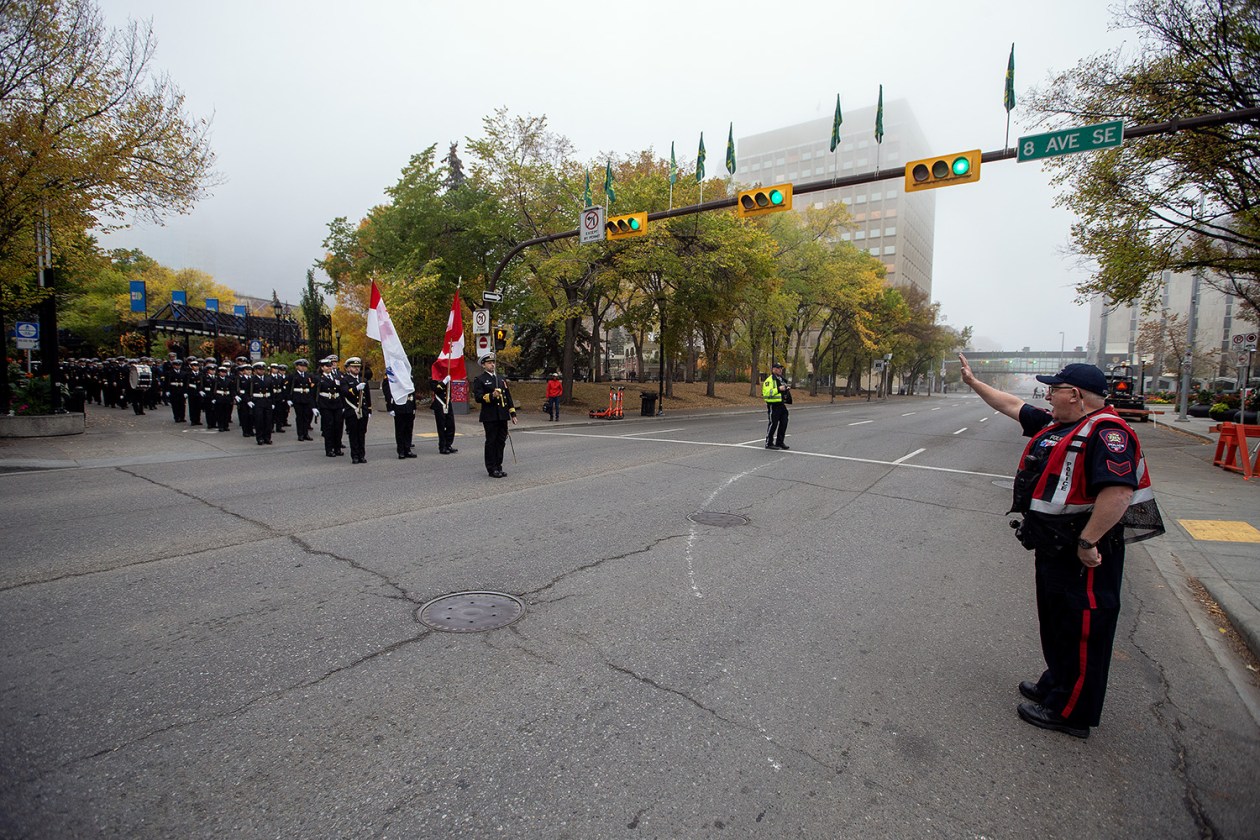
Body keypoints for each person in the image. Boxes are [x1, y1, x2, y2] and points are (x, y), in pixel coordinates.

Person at [959, 355, 1163, 739]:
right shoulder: (1062, 425)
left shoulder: (1108, 433)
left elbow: (1118, 493)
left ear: (1076, 395)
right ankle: (1057, 683)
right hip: (1054, 546)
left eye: (1055, 390)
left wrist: (1089, 541)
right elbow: (1010, 404)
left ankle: (1072, 712)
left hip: (1084, 552)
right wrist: (973, 382)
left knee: (1083, 627)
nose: (1048, 396)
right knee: (1057, 622)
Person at [470, 354, 516, 478]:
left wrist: (512, 413)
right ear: (484, 365)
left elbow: (507, 396)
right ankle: (491, 468)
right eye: (489, 363)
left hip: (502, 415)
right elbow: (478, 397)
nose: (492, 365)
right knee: (491, 442)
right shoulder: (480, 379)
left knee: (501, 441)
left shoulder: (501, 379)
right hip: (490, 416)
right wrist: (491, 396)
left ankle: (499, 466)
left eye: (493, 362)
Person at [339, 356, 371, 464]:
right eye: (353, 367)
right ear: (348, 368)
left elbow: (368, 396)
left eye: (358, 366)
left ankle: (362, 455)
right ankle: (355, 456)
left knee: (362, 434)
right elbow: (344, 392)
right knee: (353, 434)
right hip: (352, 411)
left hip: (363, 411)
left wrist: (369, 410)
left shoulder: (363, 380)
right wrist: (356, 389)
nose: (356, 369)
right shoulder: (344, 380)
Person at [382, 374, 417, 459]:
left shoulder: (407, 374)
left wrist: (414, 407)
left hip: (409, 405)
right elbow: (387, 392)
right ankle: (401, 451)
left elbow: (412, 392)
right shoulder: (392, 375)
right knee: (400, 430)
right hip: (398, 405)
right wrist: (390, 407)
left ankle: (407, 449)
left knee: (409, 429)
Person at [316, 357, 344, 457]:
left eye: (330, 366)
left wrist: (343, 404)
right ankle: (329, 449)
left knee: (338, 426)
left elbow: (341, 391)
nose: (329, 368)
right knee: (329, 427)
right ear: (322, 368)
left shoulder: (337, 377)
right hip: (325, 404)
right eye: (327, 366)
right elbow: (315, 393)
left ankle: (337, 448)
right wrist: (315, 406)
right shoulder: (319, 378)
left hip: (337, 403)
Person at [762, 361, 791, 450]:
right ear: (773, 369)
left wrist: (786, 389)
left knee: (784, 423)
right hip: (773, 405)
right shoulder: (769, 380)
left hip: (781, 404)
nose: (780, 370)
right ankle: (769, 443)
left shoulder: (781, 379)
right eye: (778, 368)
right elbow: (766, 394)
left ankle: (780, 442)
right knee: (773, 424)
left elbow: (782, 390)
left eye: (781, 368)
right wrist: (778, 389)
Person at [288, 359, 317, 441]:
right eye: (301, 366)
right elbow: (289, 388)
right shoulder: (293, 376)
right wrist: (289, 398)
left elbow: (311, 388)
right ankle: (300, 434)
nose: (303, 368)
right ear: (297, 367)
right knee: (300, 417)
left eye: (304, 366)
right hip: (298, 398)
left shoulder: (308, 376)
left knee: (306, 417)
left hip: (307, 398)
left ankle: (306, 433)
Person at [429, 378, 457, 454]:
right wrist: (444, 381)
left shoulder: (447, 375)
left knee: (451, 425)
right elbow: (436, 389)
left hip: (447, 403)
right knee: (441, 426)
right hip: (439, 404)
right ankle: (442, 446)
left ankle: (448, 444)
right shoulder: (434, 378)